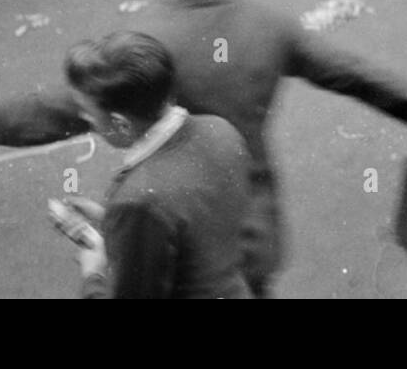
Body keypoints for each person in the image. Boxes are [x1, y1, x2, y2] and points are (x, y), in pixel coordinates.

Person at [0, 0, 407, 297]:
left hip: (185, 238)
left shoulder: (146, 43)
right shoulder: (267, 24)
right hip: (255, 231)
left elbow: (50, 113)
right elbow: (357, 76)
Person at [35, 33, 252, 299]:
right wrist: (116, 223)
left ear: (122, 124)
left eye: (87, 111)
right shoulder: (220, 130)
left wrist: (94, 274)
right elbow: (192, 222)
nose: (84, 118)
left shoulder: (139, 202)